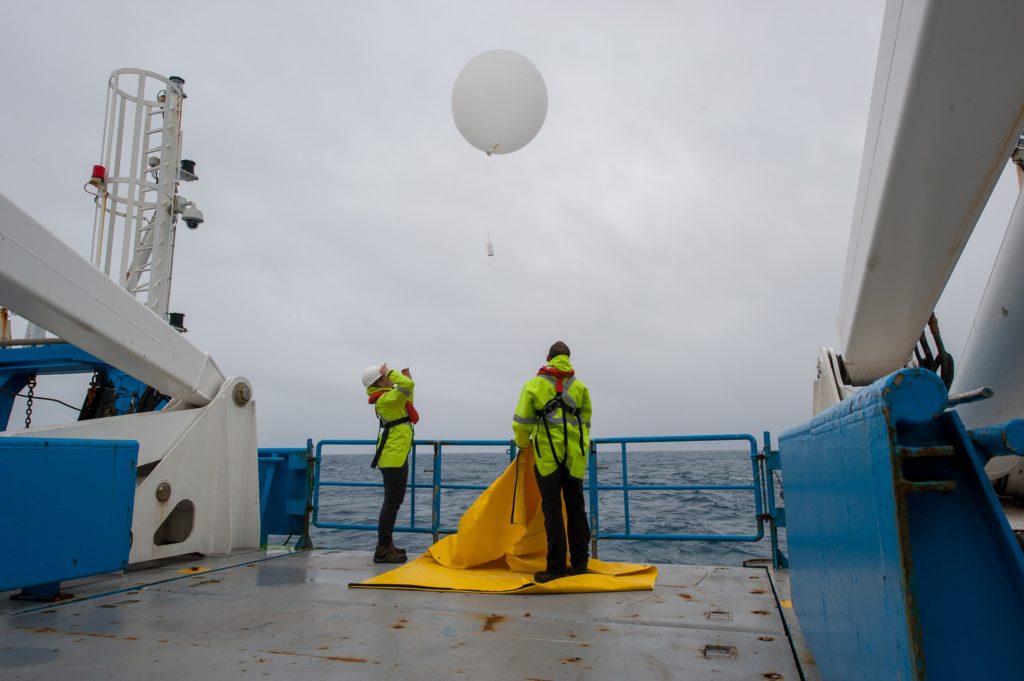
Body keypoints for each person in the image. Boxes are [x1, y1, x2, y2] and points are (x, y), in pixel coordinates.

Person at [511, 341, 593, 583]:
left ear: (548, 358)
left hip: (547, 458)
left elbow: (521, 423)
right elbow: (586, 422)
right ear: (568, 358)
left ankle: (556, 567)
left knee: (553, 509)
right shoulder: (580, 388)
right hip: (575, 458)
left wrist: (523, 444)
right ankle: (580, 563)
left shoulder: (533, 385)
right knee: (577, 508)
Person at [361, 362, 419, 564]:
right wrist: (392, 373)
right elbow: (405, 390)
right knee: (392, 502)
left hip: (395, 454)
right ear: (380, 381)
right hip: (393, 456)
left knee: (392, 501)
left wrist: (408, 380)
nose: (390, 379)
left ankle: (387, 544)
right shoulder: (385, 400)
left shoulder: (388, 398)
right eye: (385, 376)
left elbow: (406, 394)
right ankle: (383, 548)